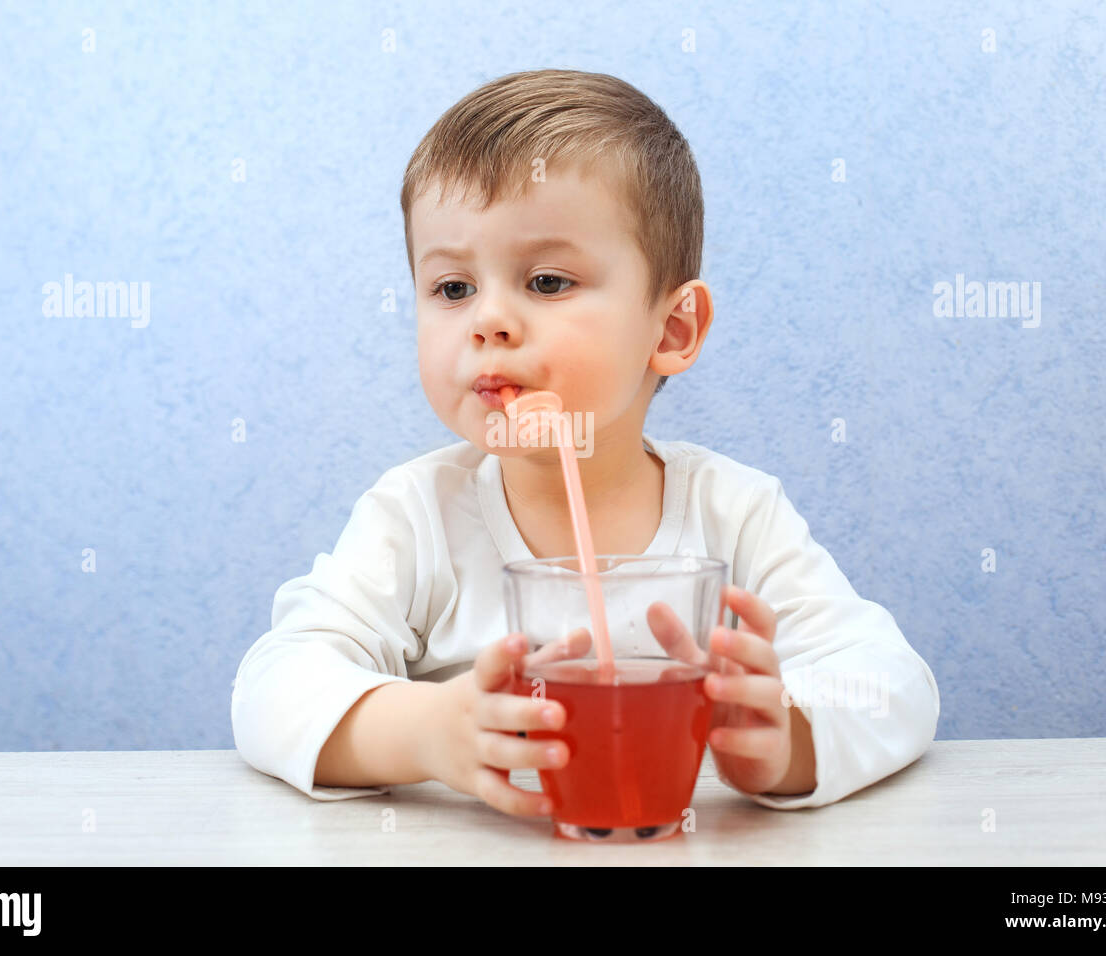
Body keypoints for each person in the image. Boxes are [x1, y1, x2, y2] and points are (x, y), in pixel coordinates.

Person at [232, 69, 939, 821]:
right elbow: (273, 685)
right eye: (452, 288)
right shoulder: (415, 517)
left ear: (672, 330)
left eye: (544, 280)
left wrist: (787, 741)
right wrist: (429, 732)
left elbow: (894, 682)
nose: (488, 321)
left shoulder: (736, 515)